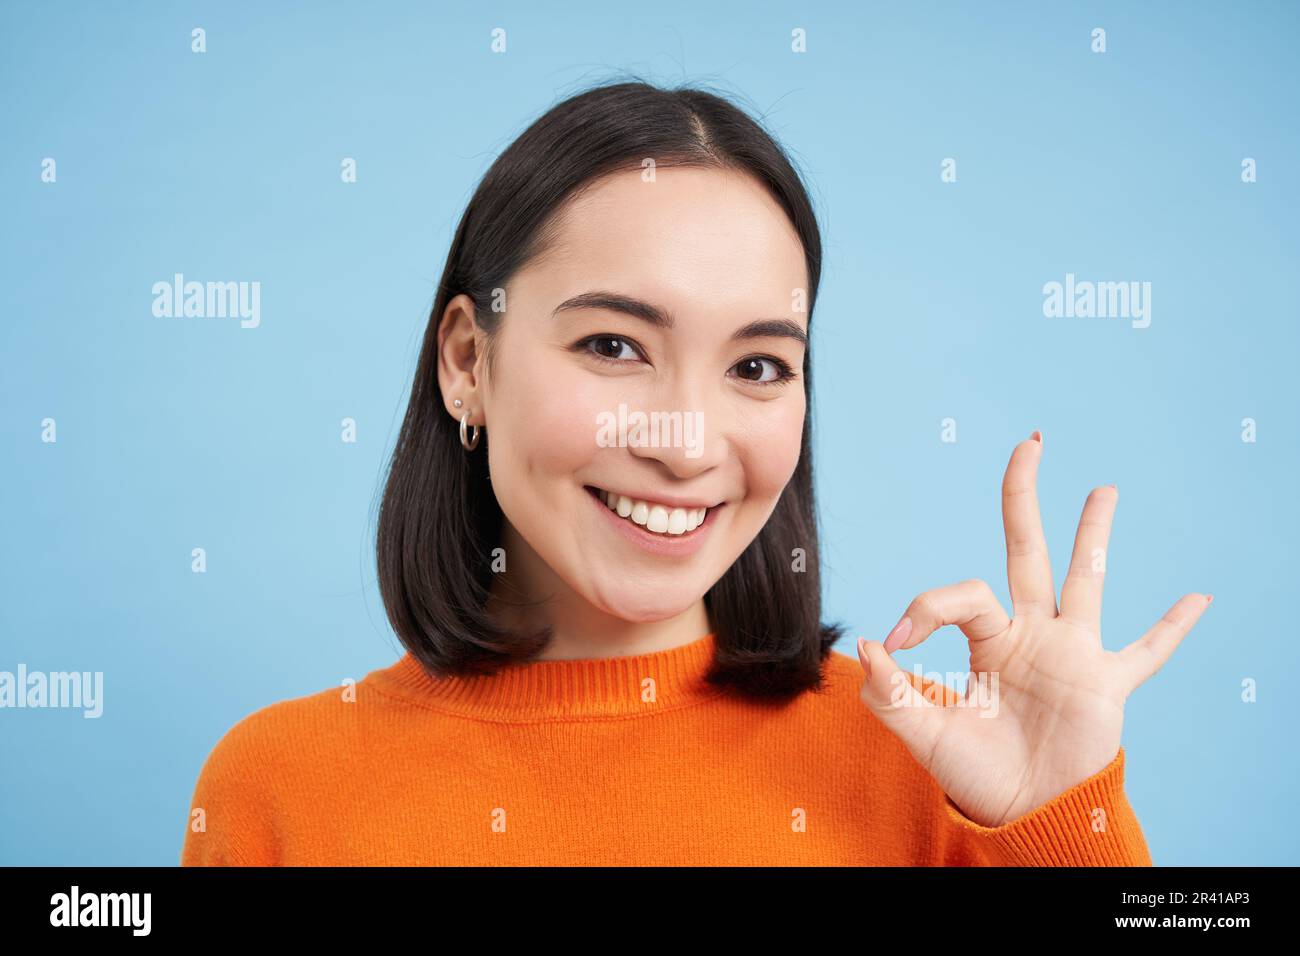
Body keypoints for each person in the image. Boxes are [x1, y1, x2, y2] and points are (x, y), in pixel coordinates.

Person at [181, 78, 1210, 866]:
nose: (685, 441)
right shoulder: (276, 786)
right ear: (467, 361)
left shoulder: (930, 763)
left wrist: (1061, 812)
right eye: (613, 346)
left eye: (757, 365)